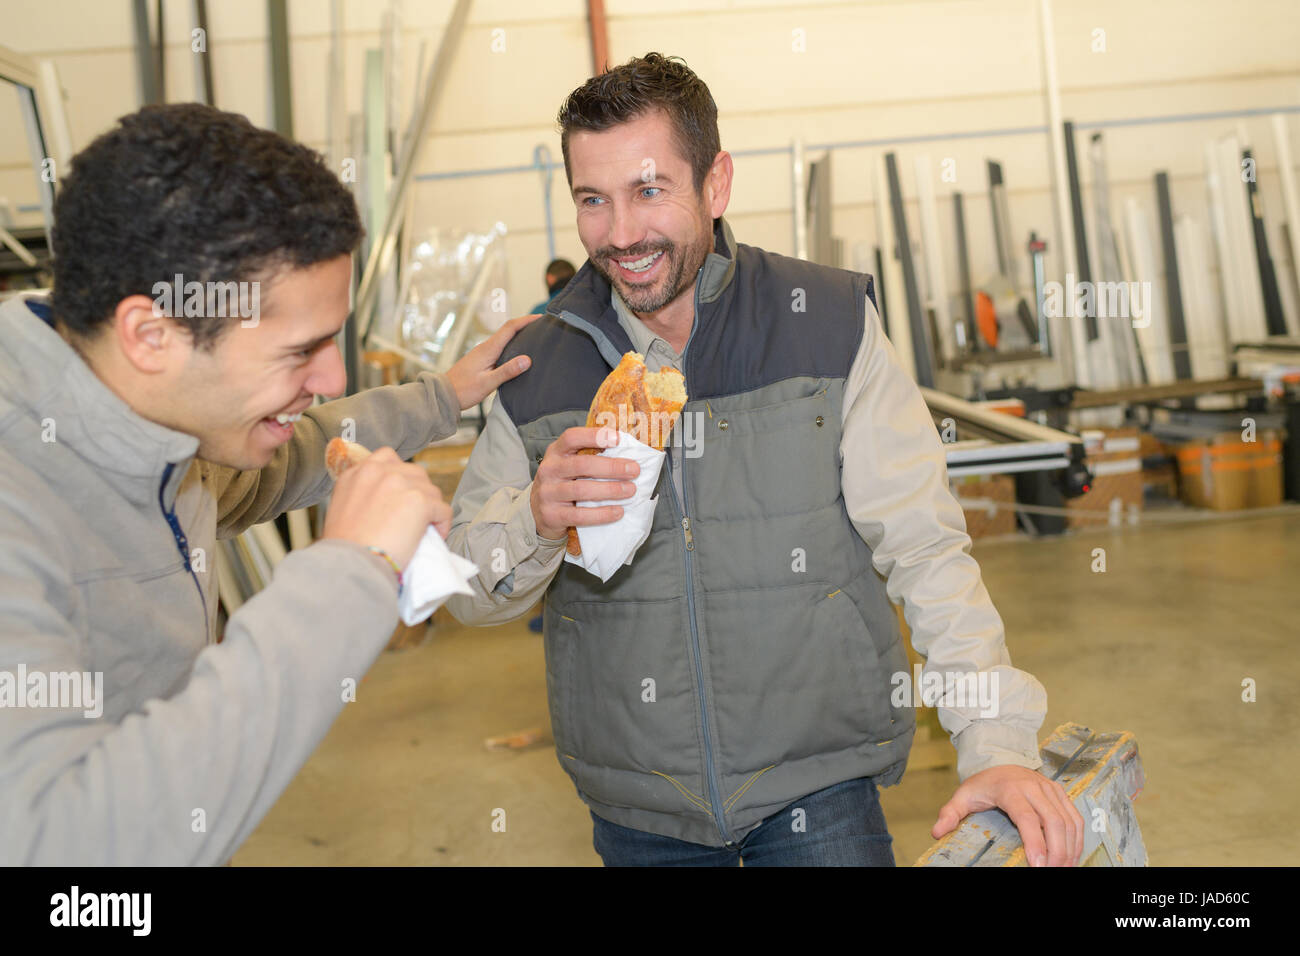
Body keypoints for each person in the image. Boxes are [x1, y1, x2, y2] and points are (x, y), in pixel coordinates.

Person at [446, 53, 1084, 867]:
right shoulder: (537, 368)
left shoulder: (825, 323)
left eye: (649, 191)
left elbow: (925, 549)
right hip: (641, 810)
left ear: (716, 185)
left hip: (821, 791)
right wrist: (533, 520)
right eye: (592, 200)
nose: (620, 233)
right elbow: (465, 591)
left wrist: (995, 741)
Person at [0, 103, 535, 864]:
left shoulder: (160, 424)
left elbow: (285, 459)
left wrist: (440, 399)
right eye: (300, 351)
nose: (332, 377)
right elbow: (62, 856)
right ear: (152, 336)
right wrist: (350, 575)